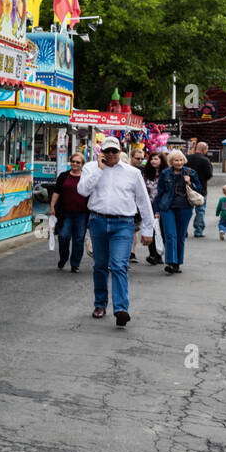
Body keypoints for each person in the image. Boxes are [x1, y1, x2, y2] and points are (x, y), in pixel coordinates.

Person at [77, 136, 155, 327]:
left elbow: (143, 201)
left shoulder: (133, 172)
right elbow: (82, 191)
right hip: (98, 221)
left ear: (120, 152)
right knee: (100, 266)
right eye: (107, 151)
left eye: (114, 151)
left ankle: (121, 309)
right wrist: (99, 170)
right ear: (101, 153)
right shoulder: (90, 168)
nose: (111, 154)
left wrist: (148, 229)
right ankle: (100, 304)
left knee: (119, 265)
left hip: (123, 223)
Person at [154, 149, 205, 274]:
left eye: (181, 160)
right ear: (171, 161)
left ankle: (177, 263)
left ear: (184, 160)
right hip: (167, 207)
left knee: (180, 236)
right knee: (170, 235)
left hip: (185, 208)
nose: (179, 162)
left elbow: (200, 189)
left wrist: (190, 182)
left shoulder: (190, 172)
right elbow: (159, 192)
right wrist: (156, 210)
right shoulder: (165, 173)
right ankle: (171, 262)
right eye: (176, 160)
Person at [50, 154, 89, 272]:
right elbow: (56, 192)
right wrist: (52, 206)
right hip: (66, 213)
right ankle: (63, 258)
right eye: (73, 161)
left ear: (82, 164)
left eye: (78, 162)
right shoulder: (63, 176)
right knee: (63, 237)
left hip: (82, 213)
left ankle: (75, 264)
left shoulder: (86, 177)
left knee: (78, 240)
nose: (75, 164)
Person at [141, 152, 166, 265]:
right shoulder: (145, 174)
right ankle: (153, 254)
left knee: (161, 230)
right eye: (151, 159)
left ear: (161, 161)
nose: (153, 161)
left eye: (156, 159)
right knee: (151, 228)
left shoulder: (165, 174)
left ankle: (159, 254)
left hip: (162, 206)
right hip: (149, 205)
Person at [185, 141, 214, 237]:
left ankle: (184, 231)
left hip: (188, 188)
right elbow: (209, 175)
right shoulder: (205, 160)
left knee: (186, 210)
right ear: (203, 149)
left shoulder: (187, 158)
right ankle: (198, 231)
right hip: (201, 189)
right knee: (200, 210)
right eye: (207, 149)